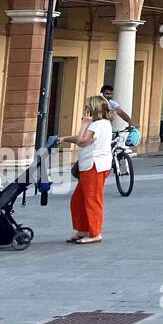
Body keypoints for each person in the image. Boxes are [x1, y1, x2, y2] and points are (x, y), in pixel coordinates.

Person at [59, 95, 114, 244]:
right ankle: (83, 230)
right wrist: (63, 139)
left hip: (94, 166)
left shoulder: (97, 124)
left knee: (92, 200)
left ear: (94, 109)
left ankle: (95, 233)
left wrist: (84, 123)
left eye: (87, 107)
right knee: (79, 200)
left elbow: (82, 141)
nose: (85, 110)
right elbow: (80, 138)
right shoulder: (100, 124)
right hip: (90, 165)